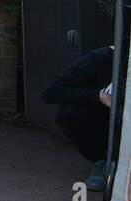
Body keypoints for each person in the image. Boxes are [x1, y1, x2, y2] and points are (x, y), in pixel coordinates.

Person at [41, 45, 114, 191]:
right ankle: (100, 161)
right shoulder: (99, 59)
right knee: (70, 114)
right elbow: (51, 91)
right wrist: (98, 97)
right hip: (104, 121)